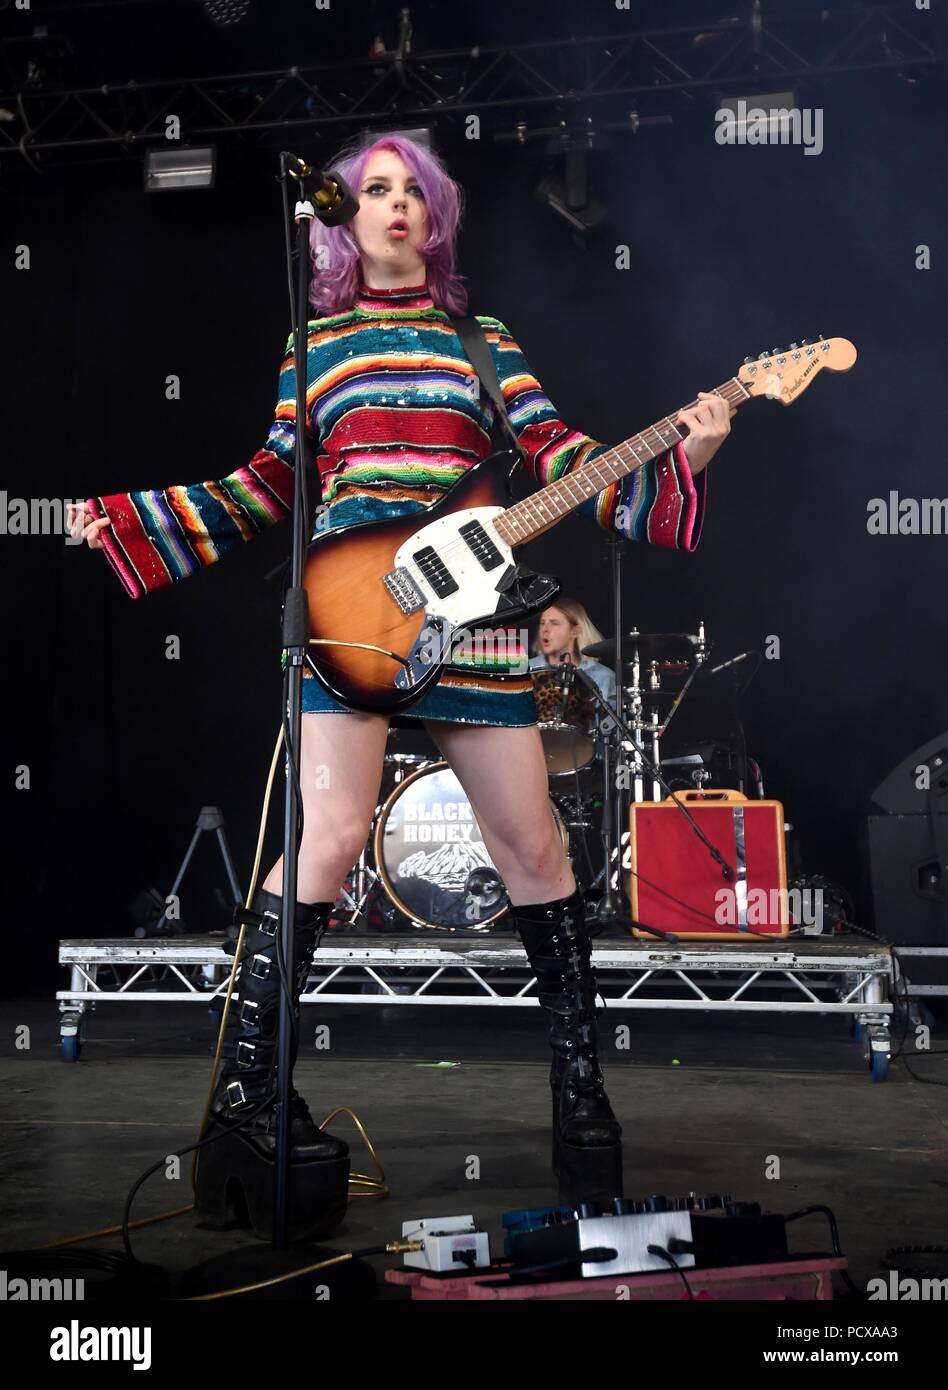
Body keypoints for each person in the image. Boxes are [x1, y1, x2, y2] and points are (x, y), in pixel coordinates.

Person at [68, 132, 733, 1213]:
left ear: (437, 217)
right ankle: (250, 1094)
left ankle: (580, 1097)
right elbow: (267, 482)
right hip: (344, 612)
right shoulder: (314, 346)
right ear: (345, 217)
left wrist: (682, 458)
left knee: (533, 844)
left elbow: (562, 454)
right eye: (373, 190)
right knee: (323, 841)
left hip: (472, 614)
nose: (392, 205)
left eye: (411, 192)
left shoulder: (486, 340)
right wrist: (143, 521)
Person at [529, 598, 617, 707]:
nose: (545, 629)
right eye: (542, 623)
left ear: (574, 631)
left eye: (554, 623)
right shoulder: (525, 672)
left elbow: (610, 722)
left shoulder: (603, 677)